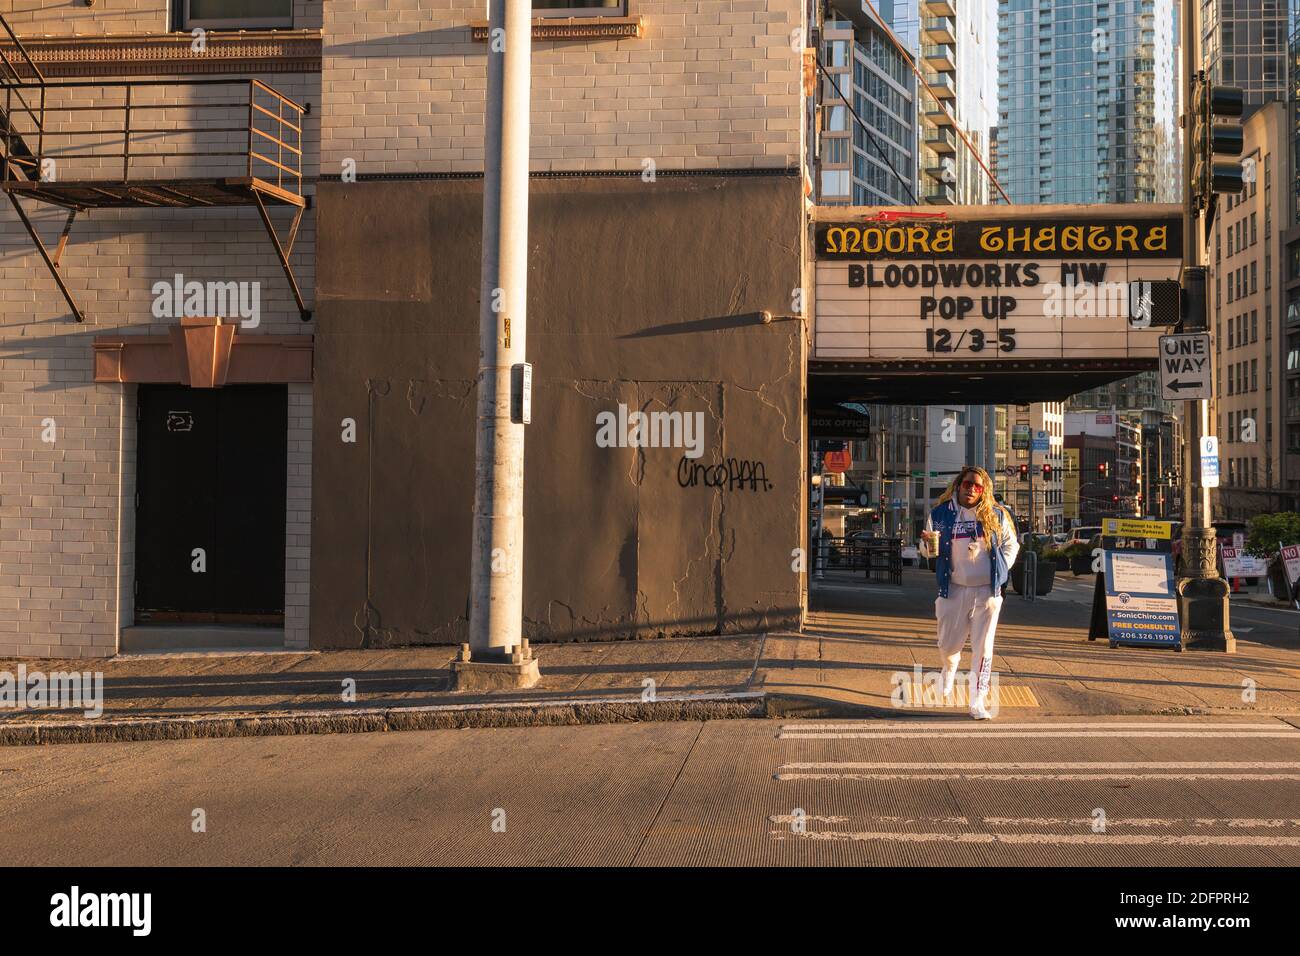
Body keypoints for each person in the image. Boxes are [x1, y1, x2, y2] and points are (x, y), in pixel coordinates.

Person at [919, 466, 1019, 720]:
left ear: (984, 490)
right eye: (967, 484)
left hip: (987, 591)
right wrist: (925, 546)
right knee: (948, 644)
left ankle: (977, 700)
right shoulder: (940, 514)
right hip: (953, 588)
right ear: (958, 485)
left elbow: (1011, 545)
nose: (972, 489)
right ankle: (950, 666)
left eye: (978, 486)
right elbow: (928, 552)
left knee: (983, 648)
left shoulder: (996, 515)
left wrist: (1001, 569)